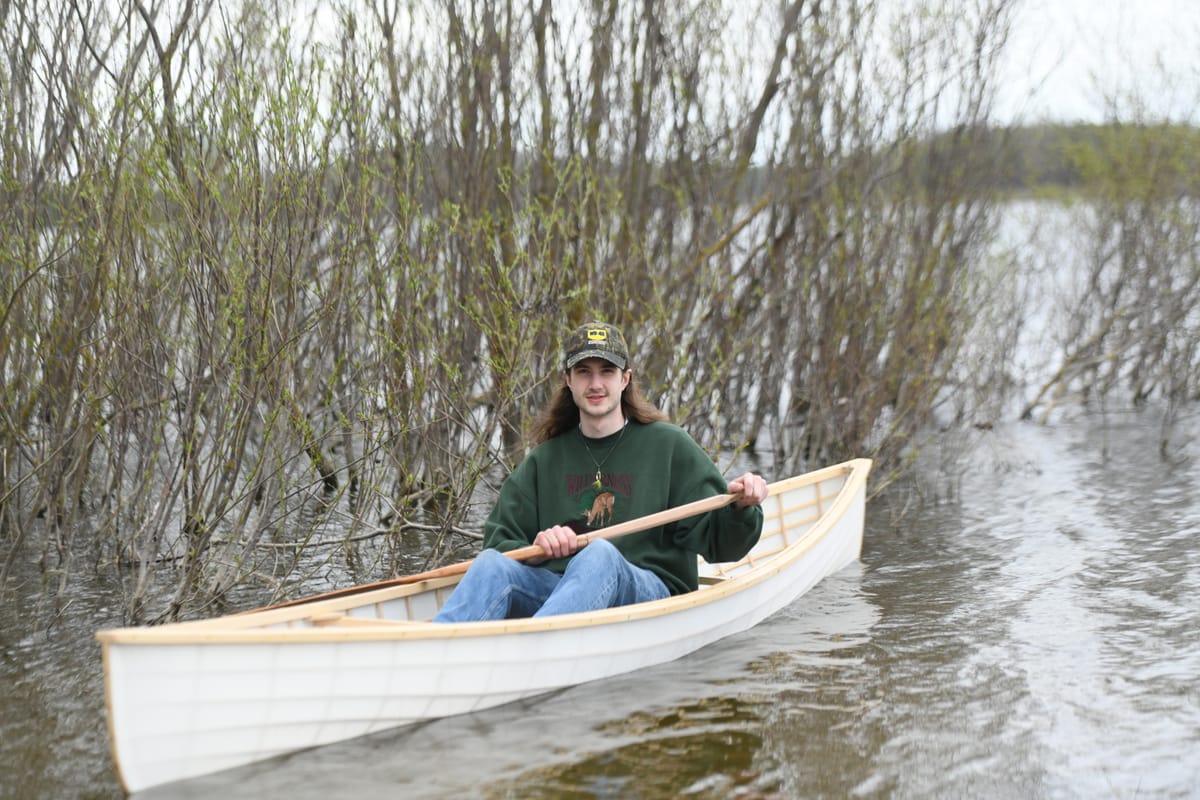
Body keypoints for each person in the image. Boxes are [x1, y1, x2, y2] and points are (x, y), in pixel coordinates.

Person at [432, 321, 769, 622]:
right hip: (561, 591)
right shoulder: (544, 460)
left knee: (600, 554)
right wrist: (536, 549)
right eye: (584, 372)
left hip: (652, 596)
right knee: (491, 564)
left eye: (607, 371)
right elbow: (500, 542)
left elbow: (722, 546)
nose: (595, 383)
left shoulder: (669, 446)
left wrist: (742, 508)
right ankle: (436, 651)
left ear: (625, 379)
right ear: (568, 380)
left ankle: (536, 650)